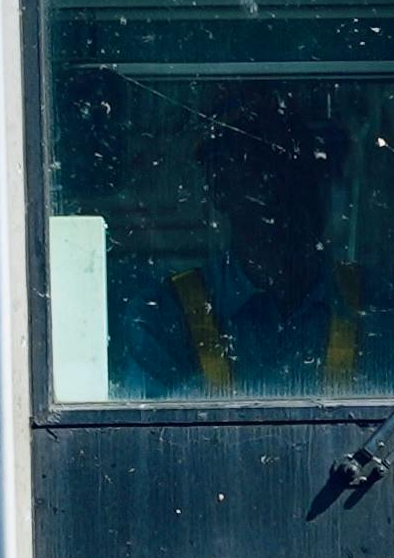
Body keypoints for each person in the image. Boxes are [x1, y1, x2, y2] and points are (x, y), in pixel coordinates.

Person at [121, 94, 362, 395]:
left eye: (313, 166)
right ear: (219, 185)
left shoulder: (388, 310)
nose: (291, 183)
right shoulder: (163, 318)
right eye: (266, 165)